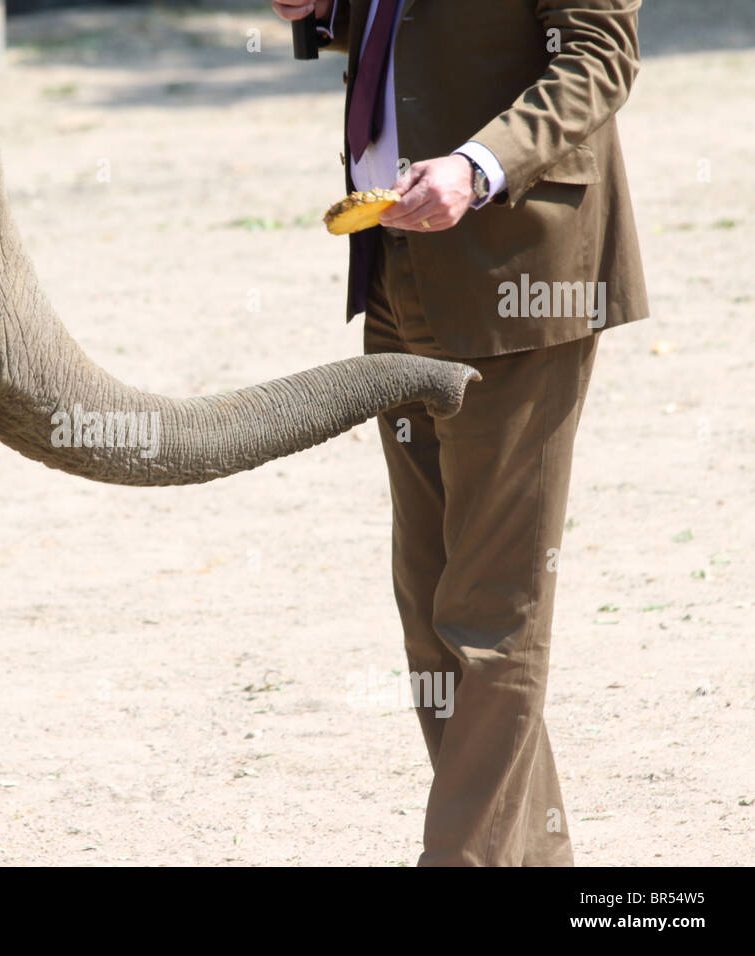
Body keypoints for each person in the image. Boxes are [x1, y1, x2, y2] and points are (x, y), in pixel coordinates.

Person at [270, 0, 649, 865]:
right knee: (434, 611)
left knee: (490, 618)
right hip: (396, 267)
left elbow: (599, 56)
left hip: (521, 278)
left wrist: (480, 168)